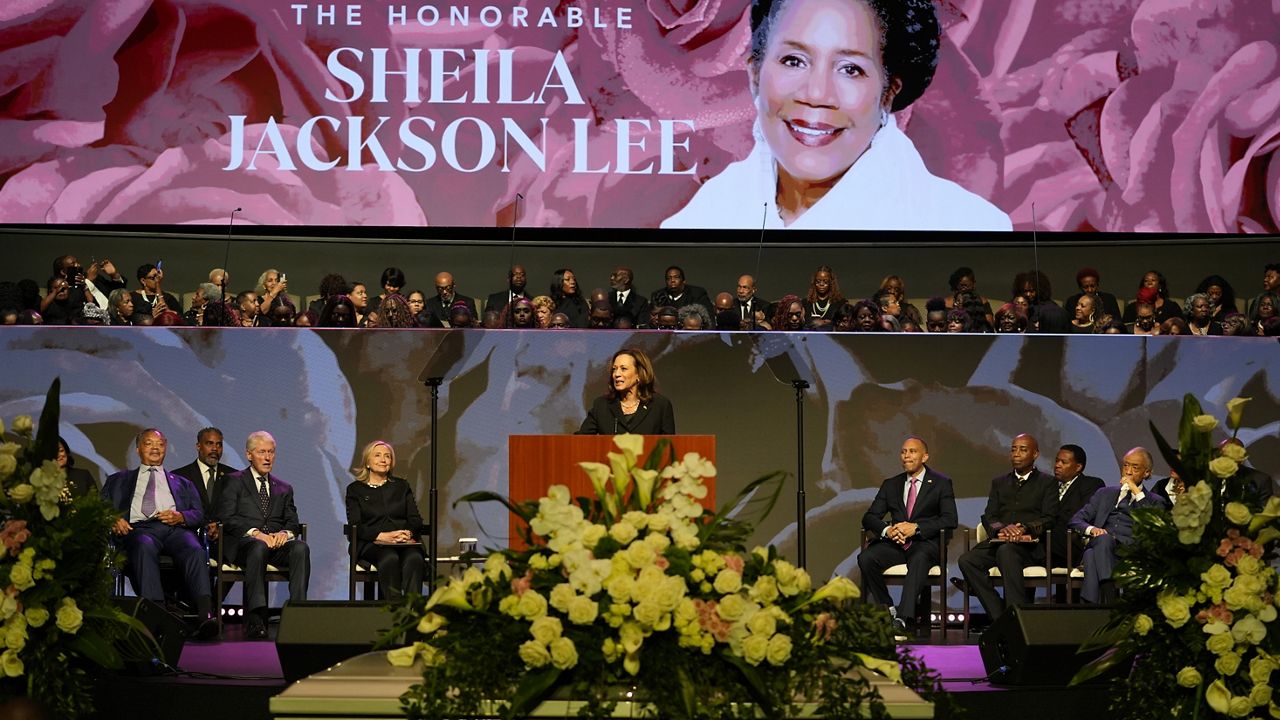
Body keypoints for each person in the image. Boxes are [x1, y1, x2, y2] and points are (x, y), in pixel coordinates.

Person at [662, 0, 1009, 231]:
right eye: (793, 61)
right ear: (754, 72)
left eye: (850, 69)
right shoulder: (701, 218)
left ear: (889, 91)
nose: (817, 94)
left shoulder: (967, 224)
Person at [102, 429, 217, 639]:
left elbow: (198, 514)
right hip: (140, 529)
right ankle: (157, 614)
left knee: (195, 549)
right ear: (138, 449)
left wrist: (180, 516)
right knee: (143, 544)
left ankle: (205, 614)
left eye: (160, 444)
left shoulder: (182, 482)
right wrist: (113, 519)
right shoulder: (118, 480)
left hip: (175, 530)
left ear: (165, 449)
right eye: (149, 443)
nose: (155, 448)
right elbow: (102, 508)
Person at [858, 437, 957, 638]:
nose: (907, 456)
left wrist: (917, 528)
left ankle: (903, 618)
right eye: (903, 452)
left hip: (925, 544)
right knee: (866, 558)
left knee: (919, 559)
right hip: (897, 545)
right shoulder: (891, 484)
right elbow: (869, 517)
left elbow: (949, 519)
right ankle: (888, 611)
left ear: (925, 456)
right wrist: (889, 531)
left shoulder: (941, 483)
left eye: (912, 451)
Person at [215, 431, 310, 639]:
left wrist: (285, 533)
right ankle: (256, 618)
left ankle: (299, 614)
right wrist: (256, 533)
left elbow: (293, 521)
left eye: (271, 452)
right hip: (245, 545)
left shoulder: (284, 488)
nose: (267, 457)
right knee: (258, 547)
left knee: (301, 548)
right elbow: (227, 517)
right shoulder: (234, 481)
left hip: (275, 544)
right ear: (249, 455)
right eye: (262, 452)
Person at [957, 434, 1057, 621]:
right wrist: (1001, 529)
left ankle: (1017, 617)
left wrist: (1023, 528)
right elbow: (989, 516)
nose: (1016, 454)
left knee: (1007, 552)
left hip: (1029, 546)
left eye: (1023, 449)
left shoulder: (1047, 482)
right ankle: (1002, 616)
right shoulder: (999, 482)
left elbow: (1049, 518)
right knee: (967, 560)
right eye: (1013, 449)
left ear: (1035, 454)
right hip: (1000, 540)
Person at [1069, 447, 1167, 604]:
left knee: (1090, 555)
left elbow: (1152, 525)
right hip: (1105, 547)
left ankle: (1089, 607)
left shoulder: (1155, 501)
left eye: (1135, 468)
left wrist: (1136, 491)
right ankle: (1110, 598)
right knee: (1103, 539)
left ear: (1147, 473)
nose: (1128, 471)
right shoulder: (1104, 493)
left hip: (1130, 555)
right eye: (1126, 465)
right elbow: (1076, 520)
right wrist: (1092, 529)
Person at [344, 441, 426, 600]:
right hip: (372, 543)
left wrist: (407, 533)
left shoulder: (402, 486)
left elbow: (415, 519)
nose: (383, 459)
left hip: (403, 542)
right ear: (367, 462)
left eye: (387, 456)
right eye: (378, 455)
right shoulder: (355, 490)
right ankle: (392, 610)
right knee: (389, 558)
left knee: (415, 558)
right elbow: (355, 525)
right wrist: (381, 536)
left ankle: (412, 610)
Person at [576, 348, 675, 435]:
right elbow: (580, 440)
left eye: (623, 369)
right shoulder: (602, 405)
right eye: (614, 369)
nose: (616, 374)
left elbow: (669, 446)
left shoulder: (660, 405)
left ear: (639, 374)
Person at [1048, 444, 1104, 573]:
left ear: (1078, 467)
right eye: (1057, 460)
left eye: (1063, 462)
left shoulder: (1091, 484)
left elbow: (1080, 516)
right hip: (1050, 543)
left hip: (1073, 542)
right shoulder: (1049, 486)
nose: (1057, 465)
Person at [172, 427, 237, 528]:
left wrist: (220, 526)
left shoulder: (233, 476)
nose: (215, 449)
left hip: (225, 536)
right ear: (198, 446)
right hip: (190, 535)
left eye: (219, 444)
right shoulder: (179, 476)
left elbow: (238, 512)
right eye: (209, 443)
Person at [650, 266, 715, 319]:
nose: (672, 280)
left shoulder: (697, 294)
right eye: (669, 278)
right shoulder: (658, 295)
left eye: (676, 277)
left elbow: (709, 318)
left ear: (684, 281)